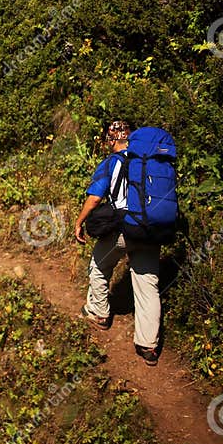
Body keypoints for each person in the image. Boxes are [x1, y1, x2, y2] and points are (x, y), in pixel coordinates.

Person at [74, 120, 162, 366]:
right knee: (147, 287)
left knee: (99, 266)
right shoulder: (151, 161)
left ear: (112, 140)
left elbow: (94, 198)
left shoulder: (112, 162)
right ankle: (148, 346)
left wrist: (79, 222)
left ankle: (99, 313)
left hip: (122, 229)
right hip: (150, 229)